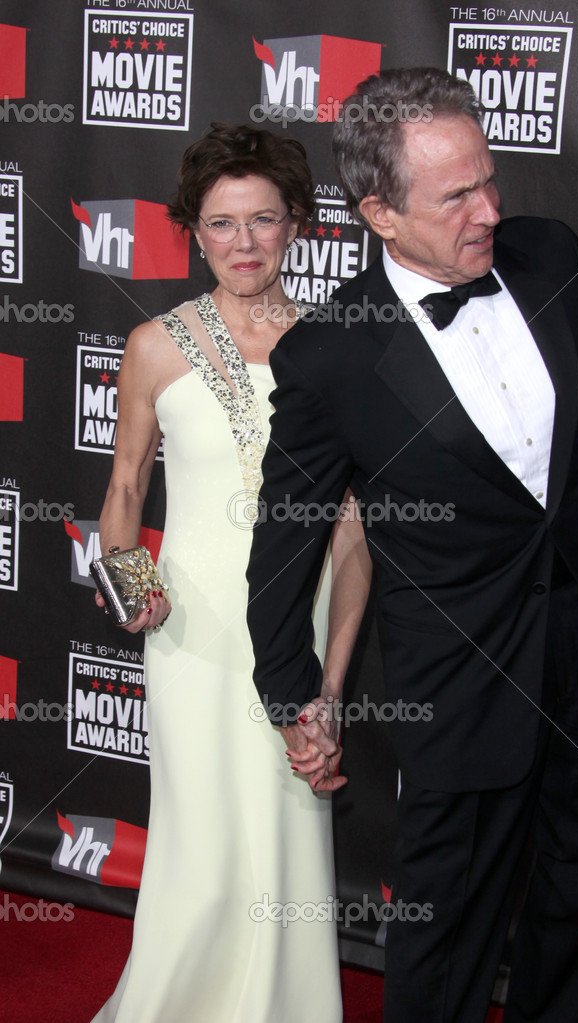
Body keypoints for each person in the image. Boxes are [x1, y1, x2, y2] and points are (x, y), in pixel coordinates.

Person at [246, 69, 578, 1023]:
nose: (489, 210)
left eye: (489, 180)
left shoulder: (550, 253)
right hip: (463, 683)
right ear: (380, 214)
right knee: (447, 935)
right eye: (455, 197)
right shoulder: (330, 353)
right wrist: (293, 695)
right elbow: (286, 541)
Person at [92, 123, 370, 1023]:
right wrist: (133, 589)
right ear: (194, 231)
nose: (243, 243)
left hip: (297, 626)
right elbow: (125, 487)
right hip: (192, 631)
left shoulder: (336, 348)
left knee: (288, 827)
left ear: (297, 224)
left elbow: (353, 538)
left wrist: (330, 686)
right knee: (202, 835)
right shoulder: (154, 345)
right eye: (221, 222)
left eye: (263, 219)